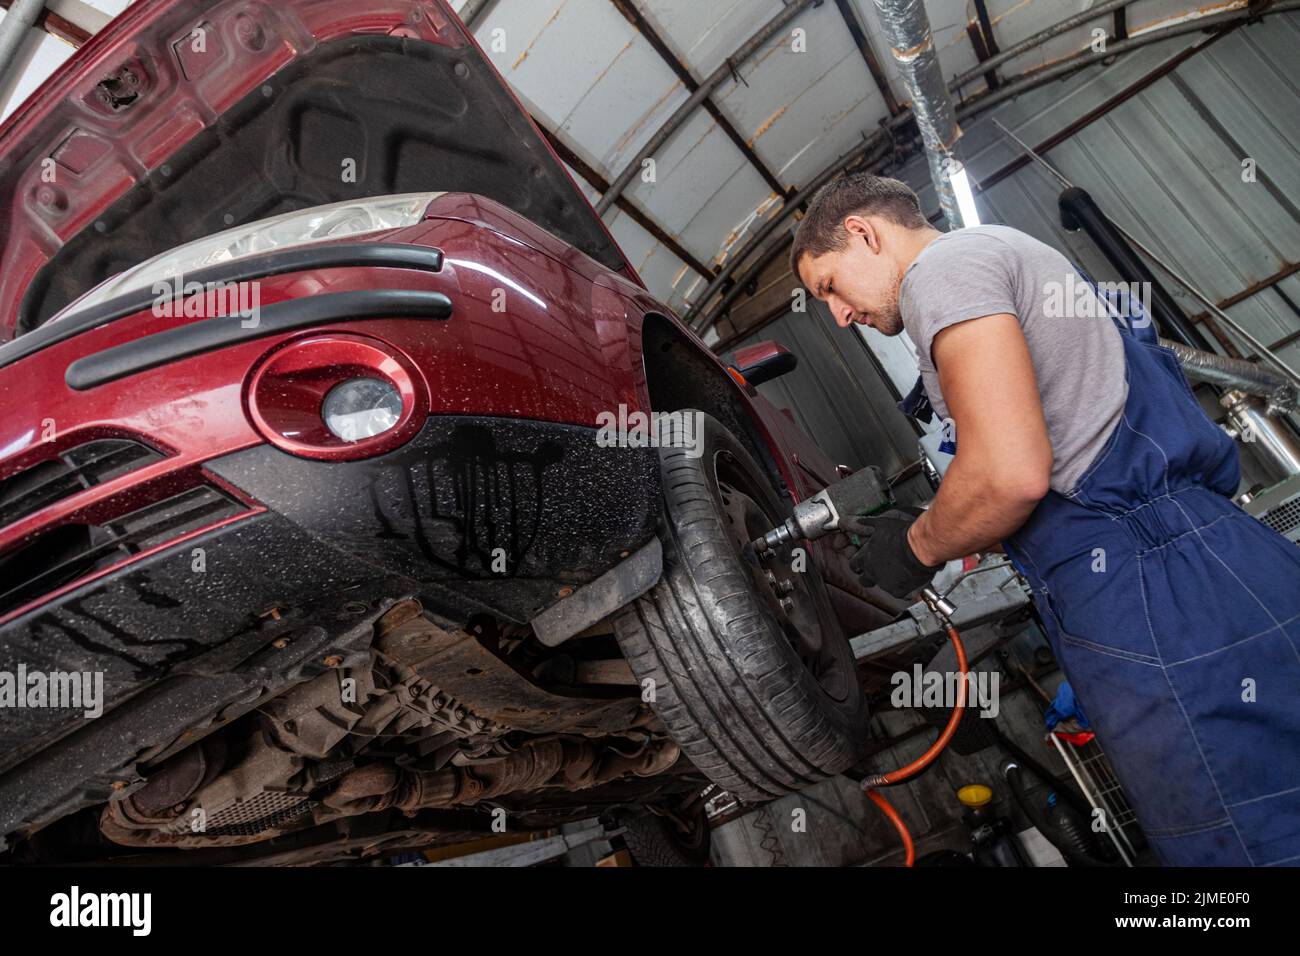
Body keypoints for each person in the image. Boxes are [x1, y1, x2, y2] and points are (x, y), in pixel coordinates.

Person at [790, 171, 1300, 867]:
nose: (839, 316)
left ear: (864, 233)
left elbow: (1011, 473)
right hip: (1231, 558)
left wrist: (915, 546)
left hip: (1148, 594)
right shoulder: (1018, 257)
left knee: (1243, 846)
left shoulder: (942, 273)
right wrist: (953, 514)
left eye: (828, 287)